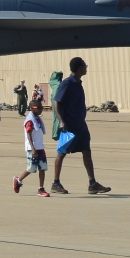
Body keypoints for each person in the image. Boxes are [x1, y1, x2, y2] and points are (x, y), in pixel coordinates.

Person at [51, 57, 110, 195]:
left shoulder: (78, 83)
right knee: (61, 153)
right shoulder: (67, 83)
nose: (86, 68)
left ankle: (92, 183)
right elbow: (56, 102)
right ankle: (55, 183)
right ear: (79, 69)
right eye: (85, 66)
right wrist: (61, 121)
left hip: (81, 125)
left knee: (87, 151)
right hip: (69, 126)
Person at [13, 98, 50, 197]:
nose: (41, 109)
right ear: (32, 108)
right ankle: (18, 180)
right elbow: (29, 135)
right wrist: (33, 148)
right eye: (39, 108)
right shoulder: (30, 121)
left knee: (43, 168)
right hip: (32, 148)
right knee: (31, 168)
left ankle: (41, 188)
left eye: (41, 107)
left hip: (40, 147)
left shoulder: (38, 119)